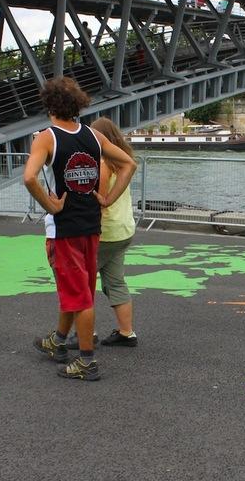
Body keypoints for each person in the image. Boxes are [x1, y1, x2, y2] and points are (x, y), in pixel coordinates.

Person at [25, 77, 137, 381]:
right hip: (91, 226)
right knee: (79, 290)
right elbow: (129, 164)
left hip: (66, 229)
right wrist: (108, 199)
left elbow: (29, 177)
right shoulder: (93, 136)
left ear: (49, 106)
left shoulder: (46, 138)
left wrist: (51, 206)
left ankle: (86, 361)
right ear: (78, 105)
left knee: (79, 297)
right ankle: (58, 340)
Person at [90, 117, 139, 347]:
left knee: (83, 284)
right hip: (123, 230)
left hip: (105, 233)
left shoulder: (102, 163)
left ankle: (85, 334)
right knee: (115, 282)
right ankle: (126, 332)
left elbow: (99, 201)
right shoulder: (122, 161)